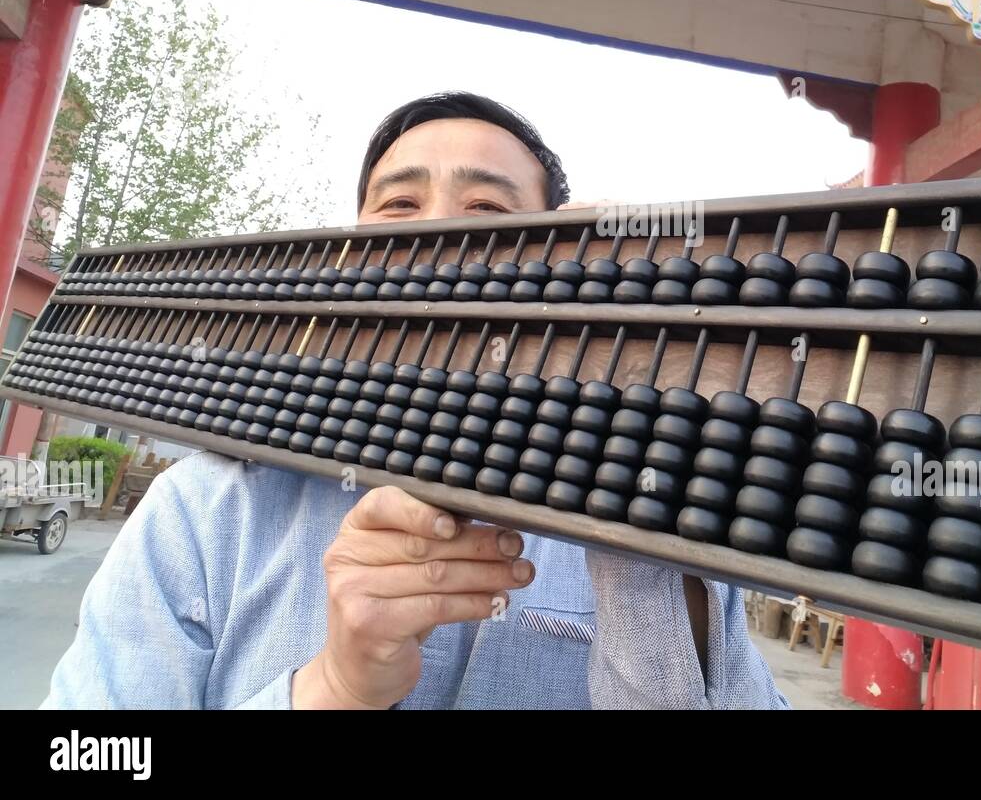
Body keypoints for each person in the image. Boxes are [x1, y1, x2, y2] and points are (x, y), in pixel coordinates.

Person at [44, 92, 789, 710]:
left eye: (491, 209)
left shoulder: (658, 519)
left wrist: (635, 533)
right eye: (400, 203)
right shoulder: (206, 509)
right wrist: (332, 687)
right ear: (351, 253)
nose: (440, 228)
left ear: (561, 260)